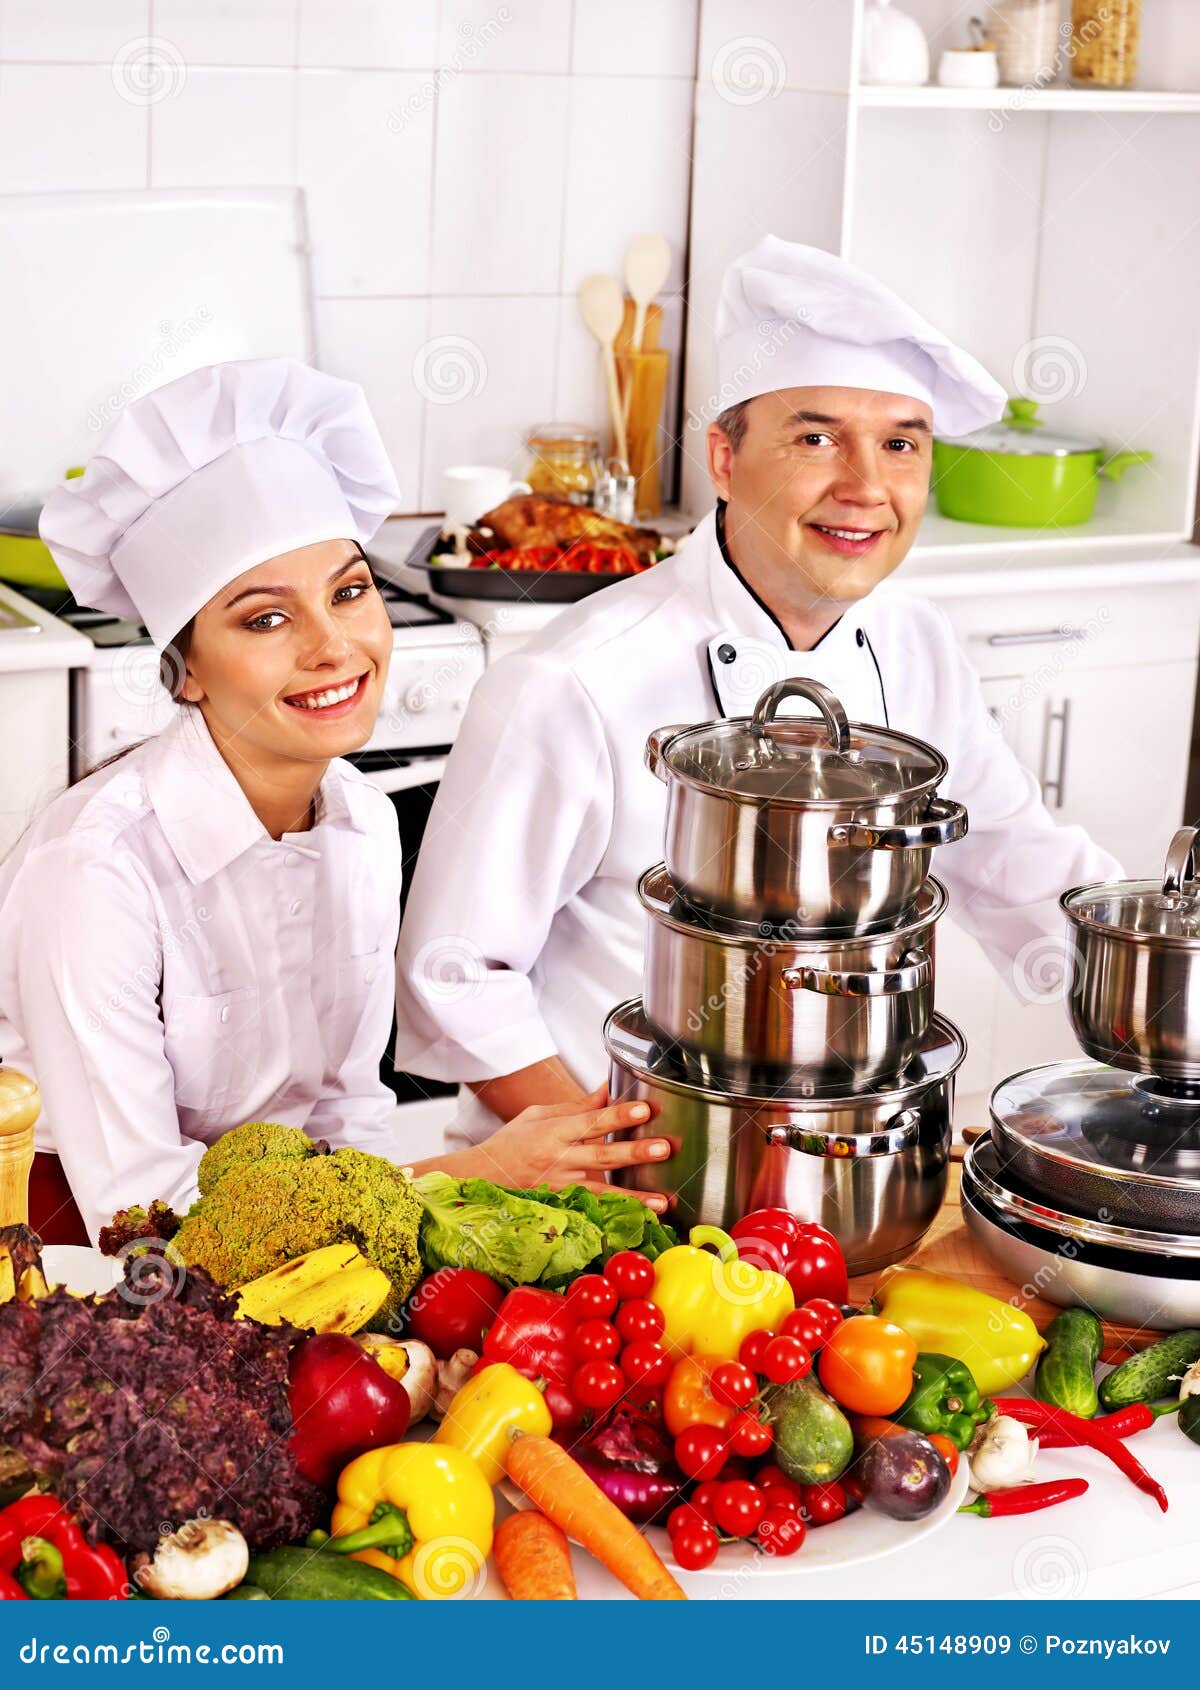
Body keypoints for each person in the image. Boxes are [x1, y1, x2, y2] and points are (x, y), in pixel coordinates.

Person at [394, 236, 1122, 1151]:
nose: (864, 488)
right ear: (725, 459)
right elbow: (455, 973)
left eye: (900, 444)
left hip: (847, 1171)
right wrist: (621, 1155)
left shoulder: (915, 640)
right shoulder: (570, 680)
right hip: (609, 1186)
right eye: (816, 438)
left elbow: (1019, 867)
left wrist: (1164, 984)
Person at [0, 357, 661, 1246]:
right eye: (266, 619)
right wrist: (476, 1171)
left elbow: (344, 1123)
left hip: (291, 1256)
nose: (333, 647)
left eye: (350, 593)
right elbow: (137, 1211)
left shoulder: (361, 822)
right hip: (78, 1269)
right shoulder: (94, 870)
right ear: (187, 669)